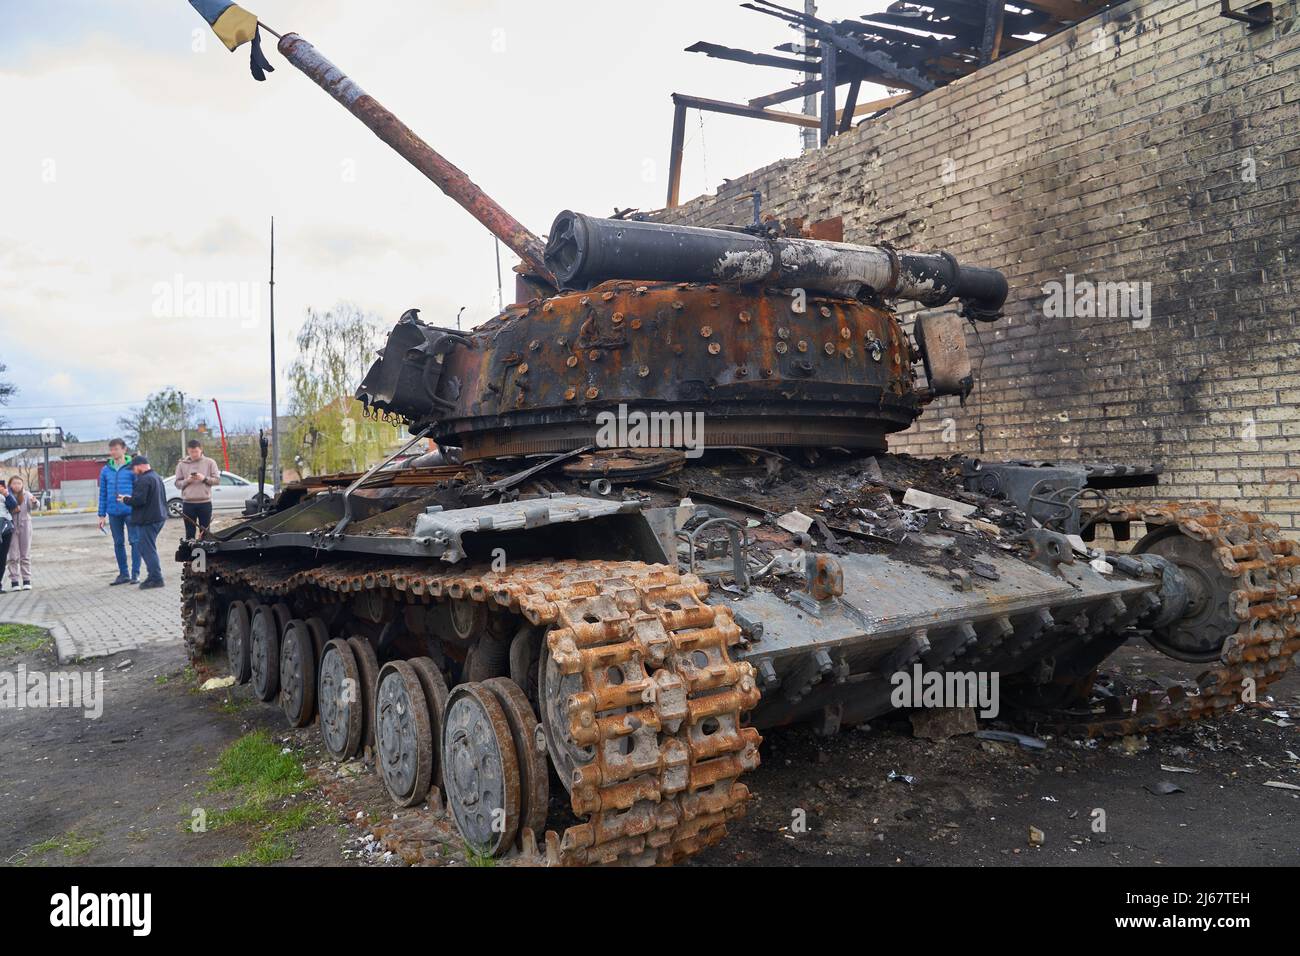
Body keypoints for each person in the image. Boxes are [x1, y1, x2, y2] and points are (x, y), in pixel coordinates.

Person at [119, 454, 167, 589]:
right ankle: (154, 576)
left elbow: (139, 500)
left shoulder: (144, 479)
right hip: (158, 517)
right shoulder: (156, 477)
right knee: (148, 548)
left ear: (140, 466)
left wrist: (125, 499)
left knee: (147, 549)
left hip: (149, 519)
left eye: (133, 468)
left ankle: (156, 578)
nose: (133, 472)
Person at [97, 438, 140, 585]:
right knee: (118, 543)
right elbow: (103, 493)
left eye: (116, 449)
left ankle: (135, 574)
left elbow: (139, 489)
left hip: (131, 511)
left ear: (124, 449)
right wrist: (101, 515)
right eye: (111, 449)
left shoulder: (133, 467)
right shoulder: (105, 470)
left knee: (135, 541)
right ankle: (123, 574)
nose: (113, 452)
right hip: (113, 512)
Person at [174, 439, 220, 539]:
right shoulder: (181, 464)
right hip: (188, 504)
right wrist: (187, 480)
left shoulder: (210, 462)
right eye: (191, 452)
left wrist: (204, 479)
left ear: (201, 450)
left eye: (196, 451)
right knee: (189, 533)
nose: (194, 454)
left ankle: (205, 549)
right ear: (188, 451)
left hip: (205, 503)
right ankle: (190, 549)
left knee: (205, 533)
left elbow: (217, 480)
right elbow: (177, 484)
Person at [6, 476, 38, 590]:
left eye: (19, 483)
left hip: (25, 526)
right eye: (14, 483)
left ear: (22, 485)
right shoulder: (6, 496)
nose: (17, 485)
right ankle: (14, 581)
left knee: (25, 554)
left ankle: (26, 580)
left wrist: (35, 502)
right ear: (10, 485)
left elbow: (34, 506)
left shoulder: (27, 494)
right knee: (13, 555)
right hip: (12, 528)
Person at [0, 479, 14, 595]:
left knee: (2, 558)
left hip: (5, 527)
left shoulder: (4, 490)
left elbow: (13, 505)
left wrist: (6, 494)